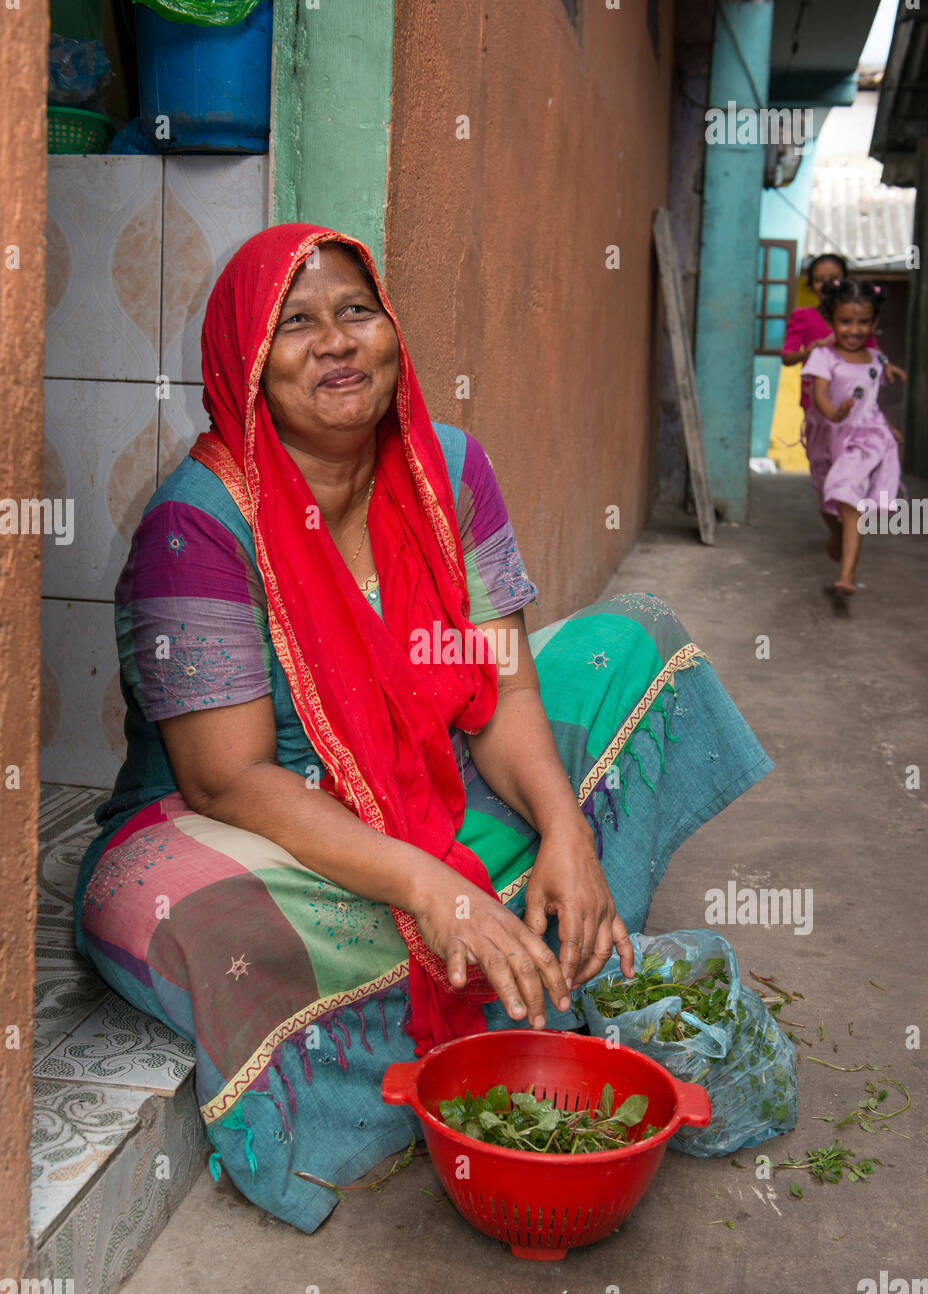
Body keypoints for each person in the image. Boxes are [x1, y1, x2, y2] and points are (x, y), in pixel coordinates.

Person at [73, 223, 773, 1233]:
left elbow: (506, 692)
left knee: (638, 639)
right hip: (267, 821)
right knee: (196, 911)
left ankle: (548, 921)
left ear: (391, 326)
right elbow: (228, 780)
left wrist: (566, 827)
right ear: (244, 364)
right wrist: (432, 886)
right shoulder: (199, 522)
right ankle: (516, 939)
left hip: (429, 773)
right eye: (295, 325)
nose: (337, 342)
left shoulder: (449, 468)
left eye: (356, 310)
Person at [801, 278, 903, 595]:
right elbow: (819, 396)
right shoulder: (824, 357)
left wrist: (887, 427)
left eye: (862, 323)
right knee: (826, 497)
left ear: (873, 323)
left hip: (865, 439)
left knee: (846, 498)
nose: (854, 330)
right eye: (846, 322)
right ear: (832, 321)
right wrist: (833, 414)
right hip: (828, 436)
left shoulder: (874, 358)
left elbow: (870, 403)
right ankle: (835, 534)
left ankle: (847, 575)